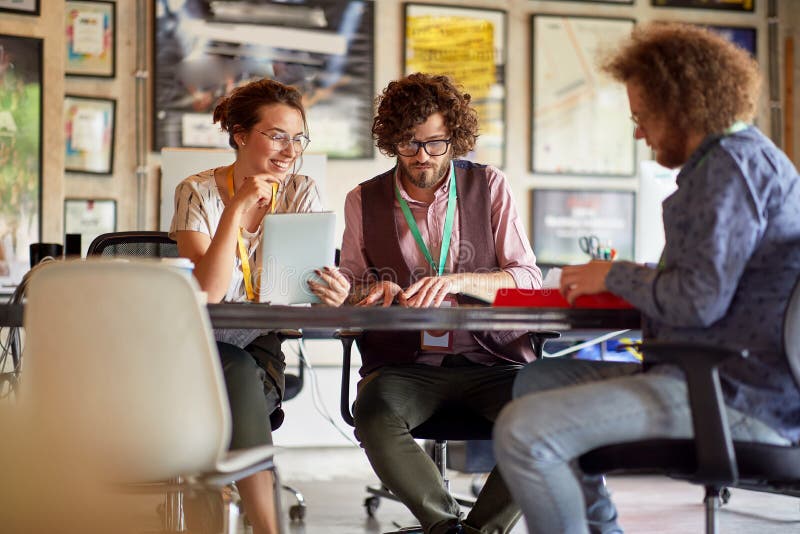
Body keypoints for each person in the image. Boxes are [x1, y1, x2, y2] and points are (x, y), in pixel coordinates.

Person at [493, 22, 800, 534]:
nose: (639, 133)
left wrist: (613, 273)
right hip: (707, 373)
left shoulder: (731, 169)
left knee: (523, 432)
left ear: (683, 105)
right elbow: (709, 283)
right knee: (537, 379)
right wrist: (623, 280)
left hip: (735, 395)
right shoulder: (733, 162)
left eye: (642, 117)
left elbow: (698, 302)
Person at [338, 72, 543, 534]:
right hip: (406, 362)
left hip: (493, 358)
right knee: (373, 415)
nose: (422, 157)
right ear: (392, 141)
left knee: (547, 417)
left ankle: (476, 532)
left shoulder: (489, 186)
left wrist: (458, 280)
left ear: (455, 137)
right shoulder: (362, 199)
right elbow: (351, 282)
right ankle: (447, 527)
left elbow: (527, 279)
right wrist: (369, 292)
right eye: (409, 144)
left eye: (436, 143)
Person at [169, 78, 350, 534]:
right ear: (240, 135)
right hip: (191, 345)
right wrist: (236, 208)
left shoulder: (302, 192)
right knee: (230, 369)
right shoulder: (196, 191)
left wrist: (333, 291)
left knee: (237, 371)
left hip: (260, 346)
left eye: (298, 138)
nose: (290, 150)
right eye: (277, 135)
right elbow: (207, 295)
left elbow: (301, 295)